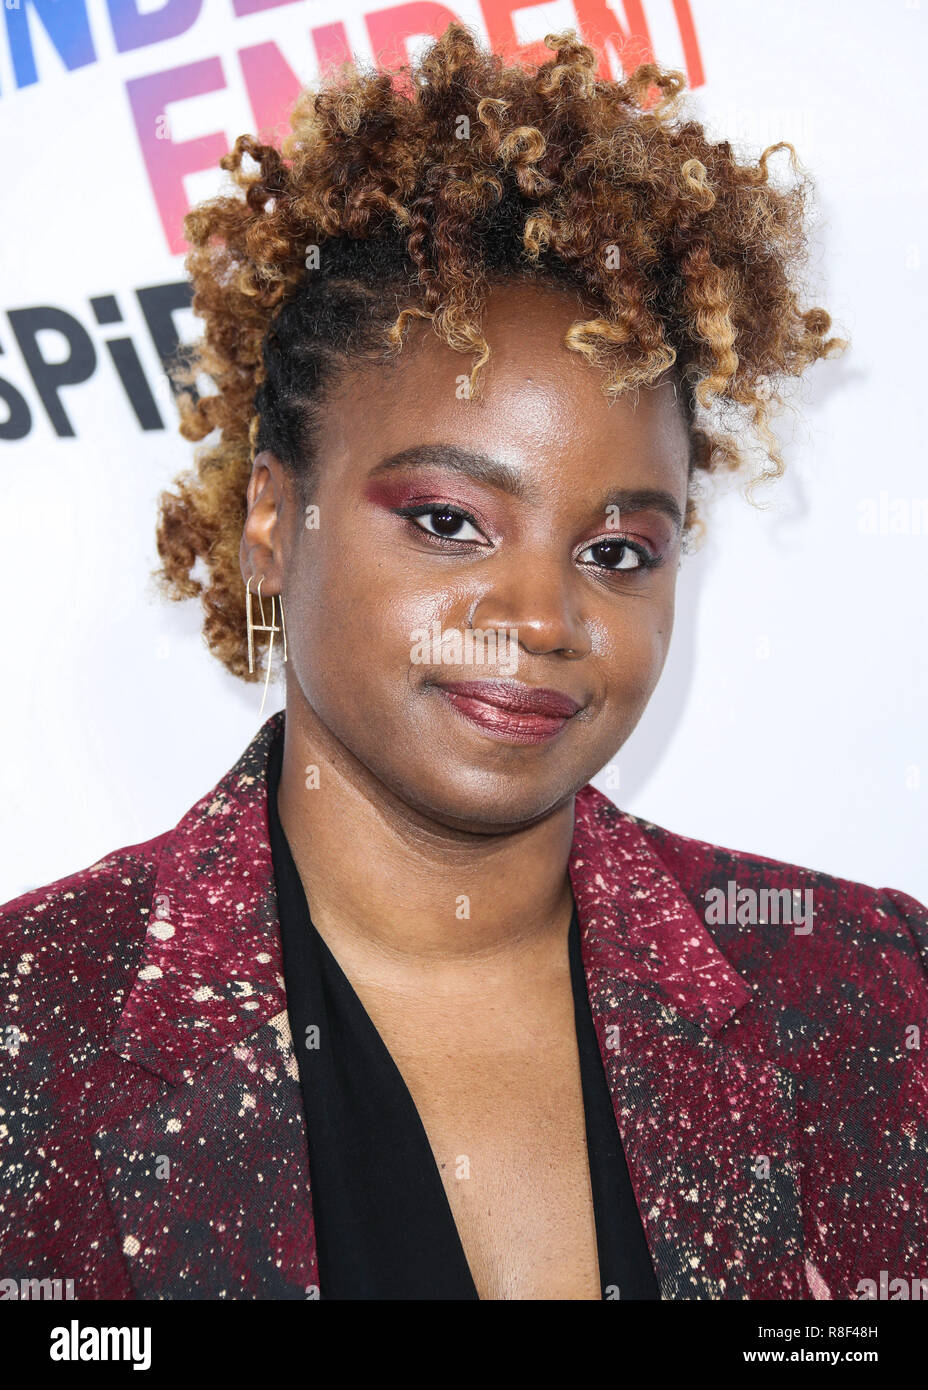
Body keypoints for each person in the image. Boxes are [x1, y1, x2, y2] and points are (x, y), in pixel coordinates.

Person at [1, 24, 926, 1302]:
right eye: (448, 521)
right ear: (276, 516)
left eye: (616, 548)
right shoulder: (34, 1026)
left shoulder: (871, 994)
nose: (541, 615)